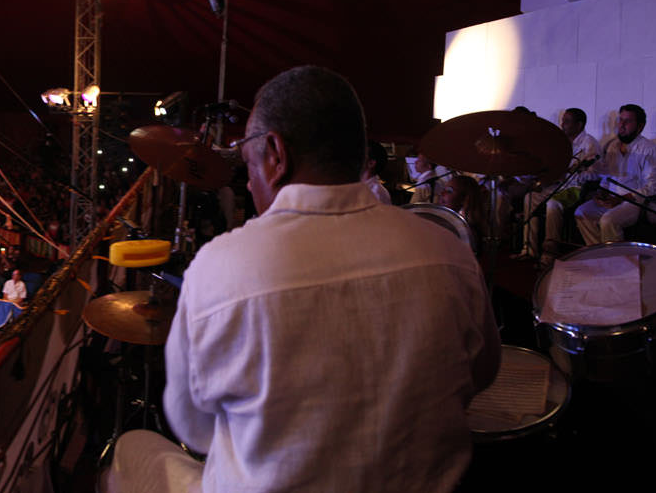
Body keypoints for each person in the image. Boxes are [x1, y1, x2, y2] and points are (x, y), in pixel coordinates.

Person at [112, 66, 499, 493]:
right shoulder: (451, 255)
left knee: (131, 450)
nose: (250, 186)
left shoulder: (219, 264)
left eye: (248, 167)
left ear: (276, 155)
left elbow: (195, 428)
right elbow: (481, 375)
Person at [575, 104, 656, 245]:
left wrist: (621, 199)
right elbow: (607, 176)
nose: (622, 125)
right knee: (582, 213)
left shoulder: (650, 150)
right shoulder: (613, 146)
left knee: (608, 220)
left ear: (640, 126)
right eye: (620, 120)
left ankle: (616, 263)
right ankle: (599, 254)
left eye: (628, 121)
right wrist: (602, 192)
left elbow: (654, 187)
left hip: (639, 203)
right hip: (614, 199)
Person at [521, 108, 600, 262]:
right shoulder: (561, 141)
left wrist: (574, 173)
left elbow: (595, 174)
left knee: (553, 204)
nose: (562, 124)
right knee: (530, 198)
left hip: (575, 188)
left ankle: (550, 253)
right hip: (556, 184)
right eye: (563, 120)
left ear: (580, 125)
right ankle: (529, 249)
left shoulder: (590, 144)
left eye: (567, 121)